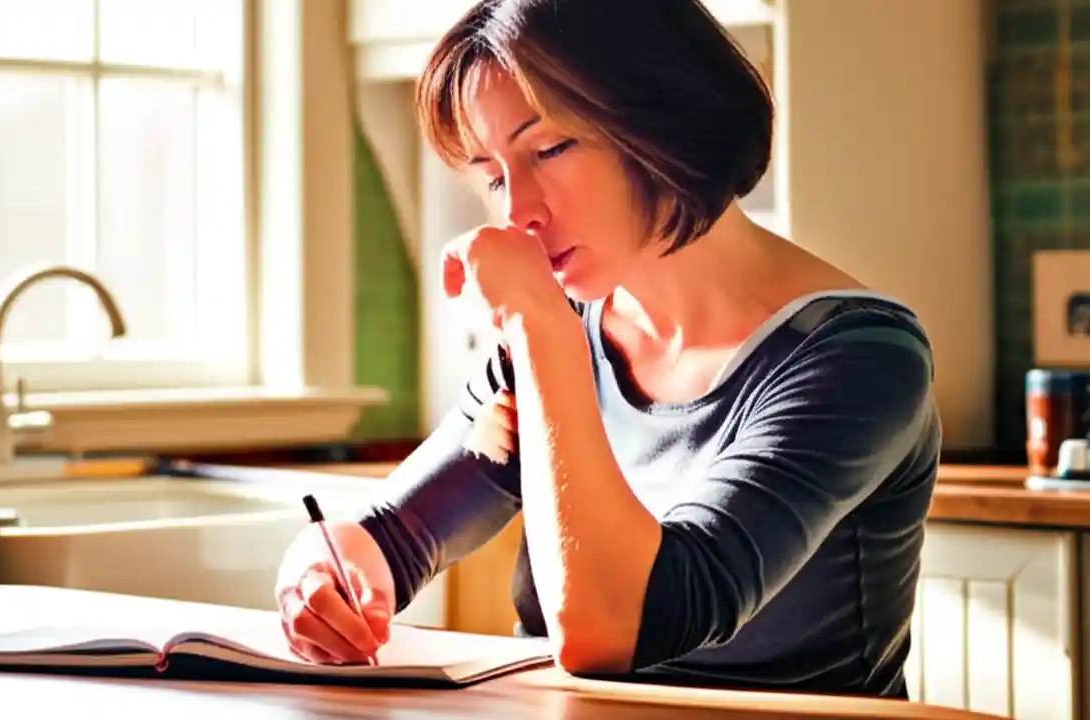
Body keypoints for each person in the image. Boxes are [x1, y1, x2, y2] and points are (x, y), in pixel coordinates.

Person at [274, 0, 940, 699]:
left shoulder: (862, 357)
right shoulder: (559, 329)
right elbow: (391, 535)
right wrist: (321, 578)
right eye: (494, 175)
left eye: (551, 149)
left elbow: (616, 630)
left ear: (663, 120)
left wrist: (541, 331)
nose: (516, 213)